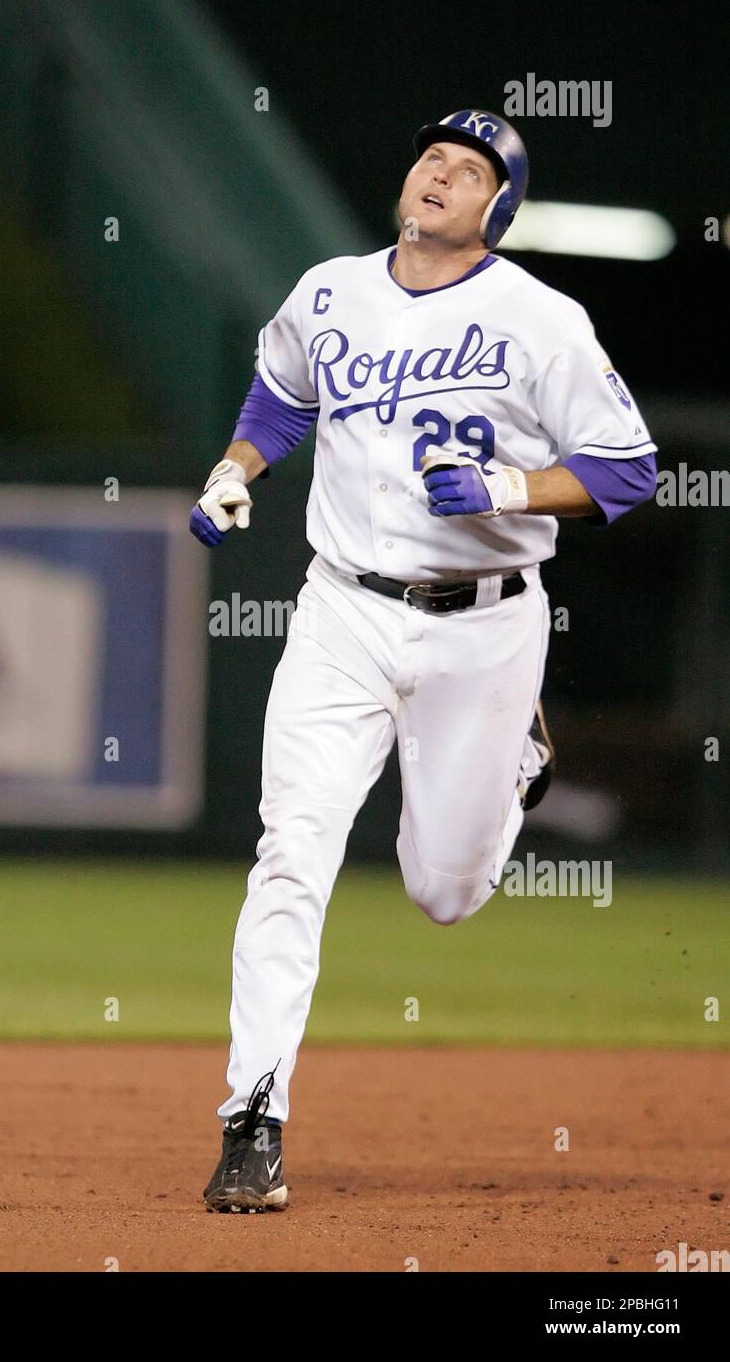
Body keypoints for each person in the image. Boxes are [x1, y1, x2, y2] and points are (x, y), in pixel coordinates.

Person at [189, 110, 657, 1213]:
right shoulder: (329, 291)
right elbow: (284, 387)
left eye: (472, 168)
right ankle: (252, 1120)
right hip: (341, 612)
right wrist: (237, 462)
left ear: (499, 208)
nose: (441, 171)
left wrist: (508, 490)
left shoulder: (539, 319)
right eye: (432, 155)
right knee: (291, 852)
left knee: (443, 891)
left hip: (485, 628)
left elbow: (628, 470)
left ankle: (512, 762)